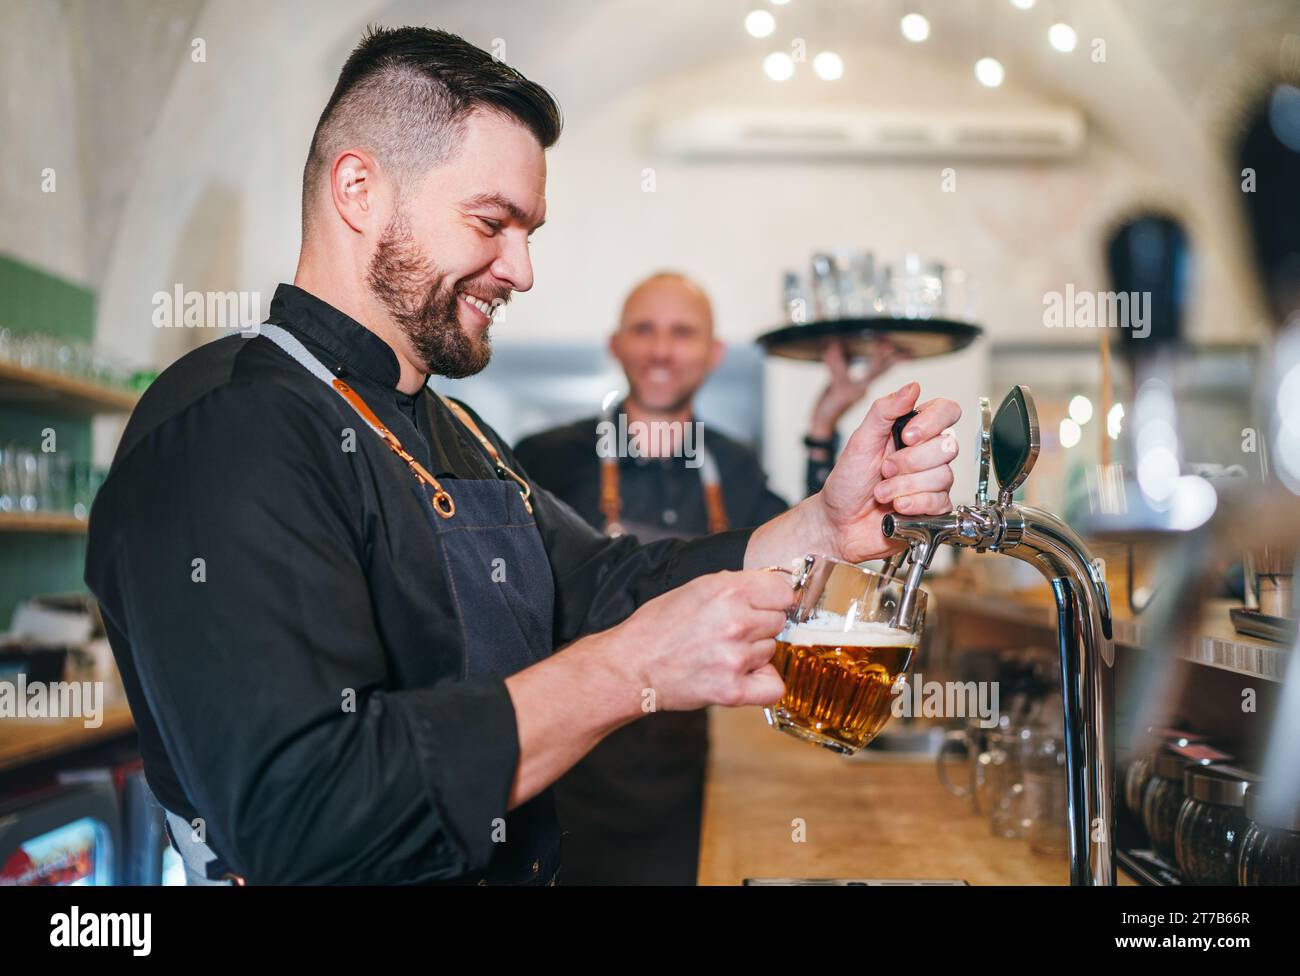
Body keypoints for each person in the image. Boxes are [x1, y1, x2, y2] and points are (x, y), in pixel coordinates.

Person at [83, 26, 960, 885]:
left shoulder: (452, 430)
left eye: (528, 231)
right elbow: (305, 814)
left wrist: (825, 528)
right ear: (360, 190)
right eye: (492, 223)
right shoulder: (229, 427)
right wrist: (628, 669)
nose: (522, 270)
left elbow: (607, 585)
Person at [513, 272, 901, 883]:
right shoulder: (545, 457)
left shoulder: (734, 464)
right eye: (645, 330)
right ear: (616, 345)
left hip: (695, 763)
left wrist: (825, 422)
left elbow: (813, 560)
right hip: (576, 771)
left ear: (713, 353)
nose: (662, 349)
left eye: (682, 333)